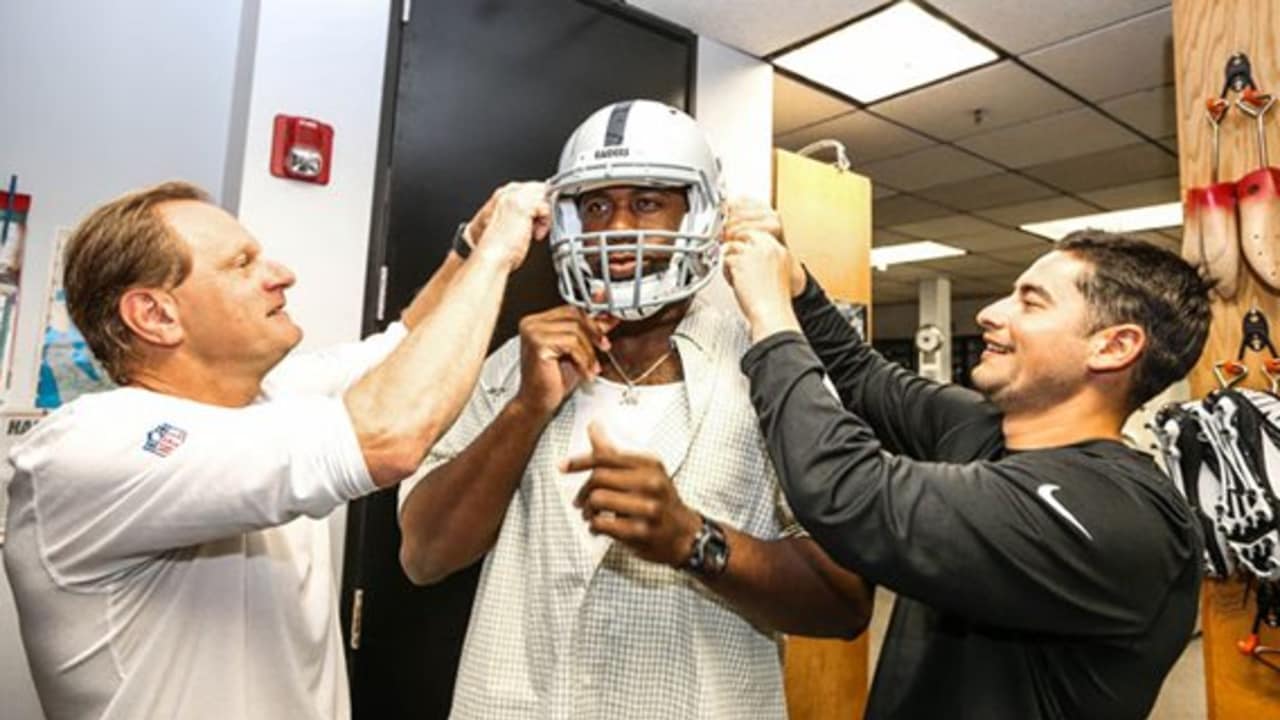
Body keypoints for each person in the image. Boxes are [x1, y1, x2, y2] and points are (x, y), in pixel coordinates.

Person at [2, 179, 547, 719]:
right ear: (156, 315)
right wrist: (499, 251)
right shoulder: (89, 447)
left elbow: (403, 348)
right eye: (242, 263)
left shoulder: (268, 398)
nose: (281, 275)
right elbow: (390, 435)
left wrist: (468, 248)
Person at [398, 100, 872, 719]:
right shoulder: (512, 365)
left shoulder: (775, 368)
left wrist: (692, 540)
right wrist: (526, 410)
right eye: (596, 205)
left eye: (646, 201)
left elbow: (844, 602)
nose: (616, 228)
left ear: (698, 213)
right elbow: (425, 555)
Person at [720, 214, 1211, 719]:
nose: (991, 313)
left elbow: (847, 490)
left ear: (1113, 347)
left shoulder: (1119, 514)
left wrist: (769, 315)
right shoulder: (982, 428)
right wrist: (794, 283)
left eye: (1031, 301)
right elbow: (859, 373)